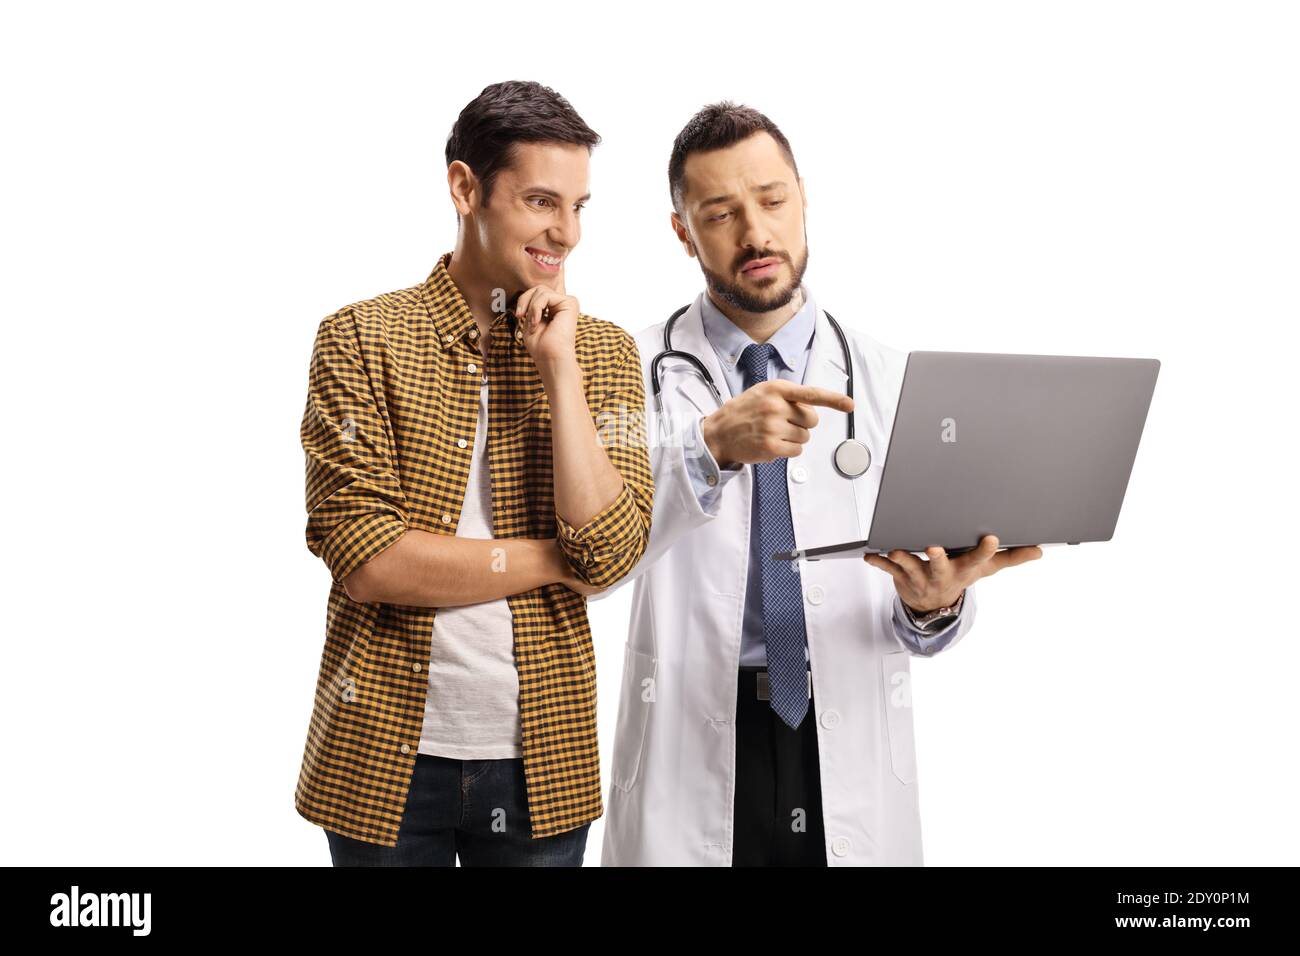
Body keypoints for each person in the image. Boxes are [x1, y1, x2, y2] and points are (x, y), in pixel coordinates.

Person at [597, 102, 1042, 866]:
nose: (757, 234)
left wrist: (933, 605)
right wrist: (707, 451)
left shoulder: (895, 382)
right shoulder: (622, 374)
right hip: (693, 728)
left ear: (804, 196)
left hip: (844, 724)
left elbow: (917, 604)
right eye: (722, 213)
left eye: (772, 201)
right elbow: (589, 566)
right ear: (682, 232)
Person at [294, 80, 653, 866]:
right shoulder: (360, 338)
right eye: (539, 201)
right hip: (381, 753)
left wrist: (560, 371)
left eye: (579, 206)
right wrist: (558, 562)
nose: (565, 233)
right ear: (465, 188)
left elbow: (617, 550)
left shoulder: (604, 353)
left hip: (542, 759)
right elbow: (367, 557)